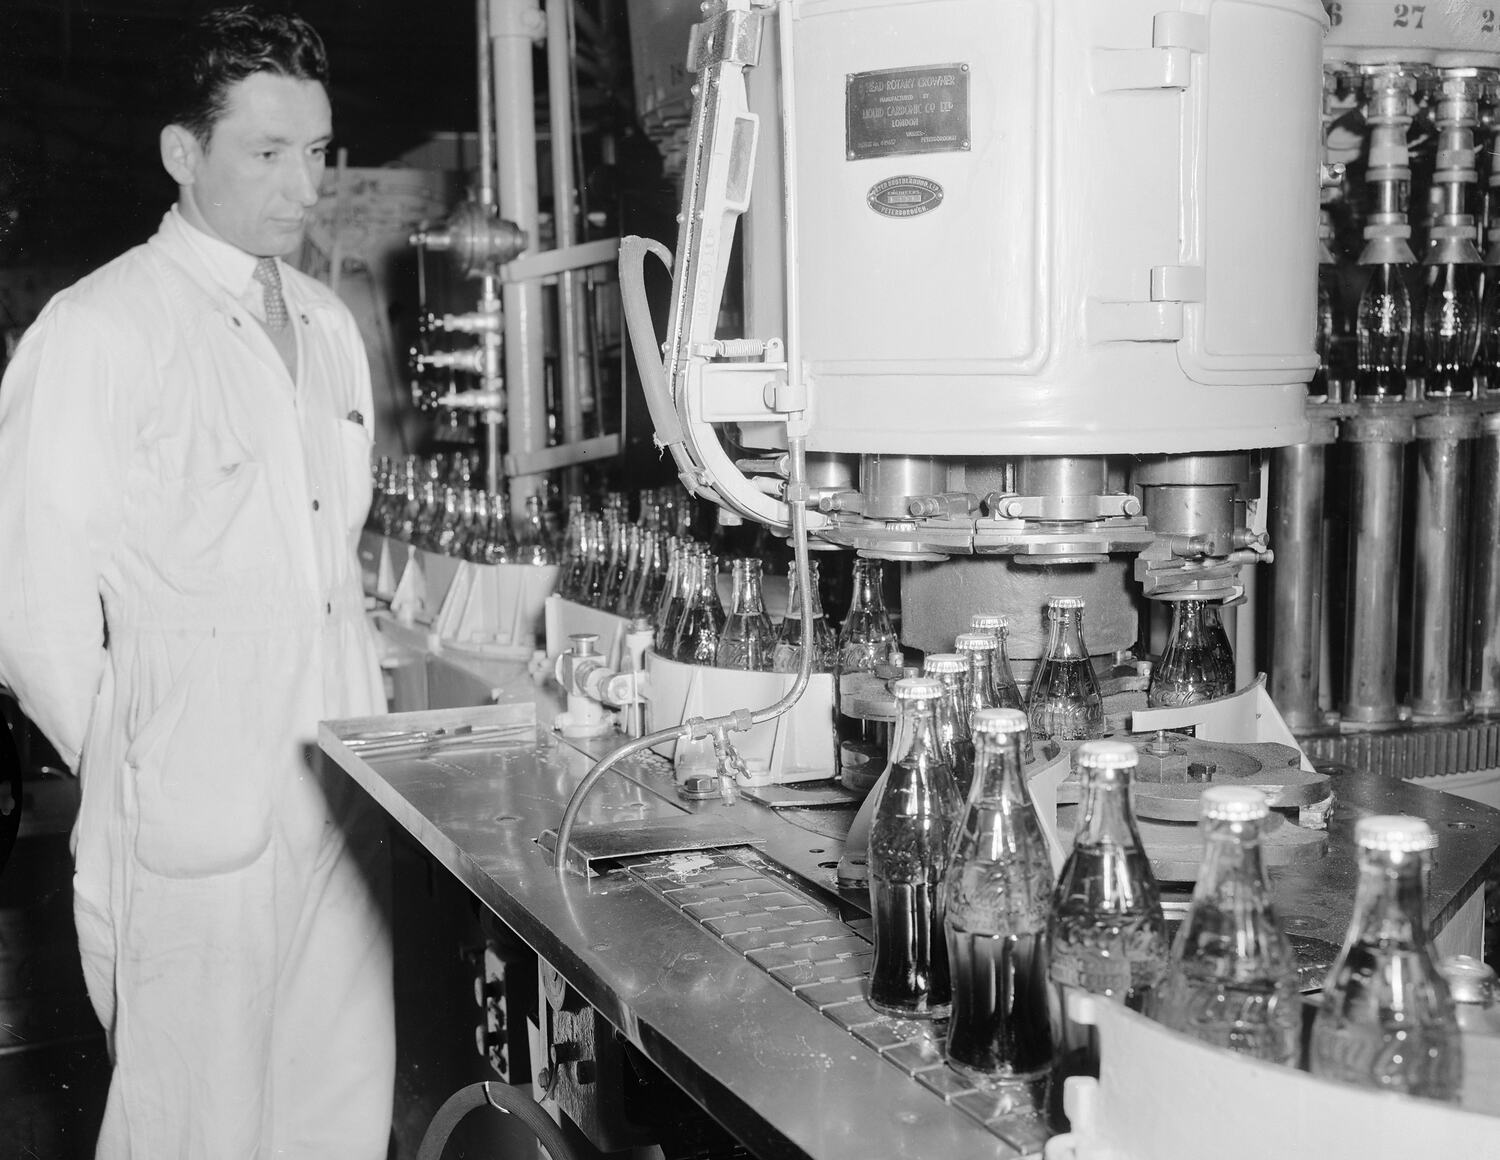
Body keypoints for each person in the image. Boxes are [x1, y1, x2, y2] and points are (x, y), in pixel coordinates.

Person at [0, 7, 394, 1156]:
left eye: (316, 150)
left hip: (335, 781)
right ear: (184, 153)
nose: (306, 185)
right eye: (267, 153)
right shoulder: (102, 327)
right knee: (195, 1126)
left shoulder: (325, 323)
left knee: (337, 1101)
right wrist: (146, 747)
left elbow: (329, 560)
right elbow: (29, 605)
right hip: (187, 811)